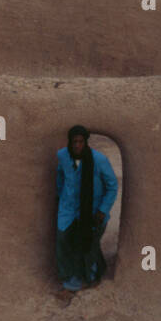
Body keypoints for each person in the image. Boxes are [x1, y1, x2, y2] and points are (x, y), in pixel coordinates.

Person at [56, 124, 118, 293]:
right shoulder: (63, 156)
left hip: (93, 211)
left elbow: (112, 186)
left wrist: (102, 210)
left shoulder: (99, 160)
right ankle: (67, 278)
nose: (77, 145)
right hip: (69, 210)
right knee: (62, 240)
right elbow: (60, 176)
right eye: (74, 142)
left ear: (86, 142)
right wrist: (61, 198)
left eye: (80, 141)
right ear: (70, 142)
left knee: (89, 246)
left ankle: (92, 278)